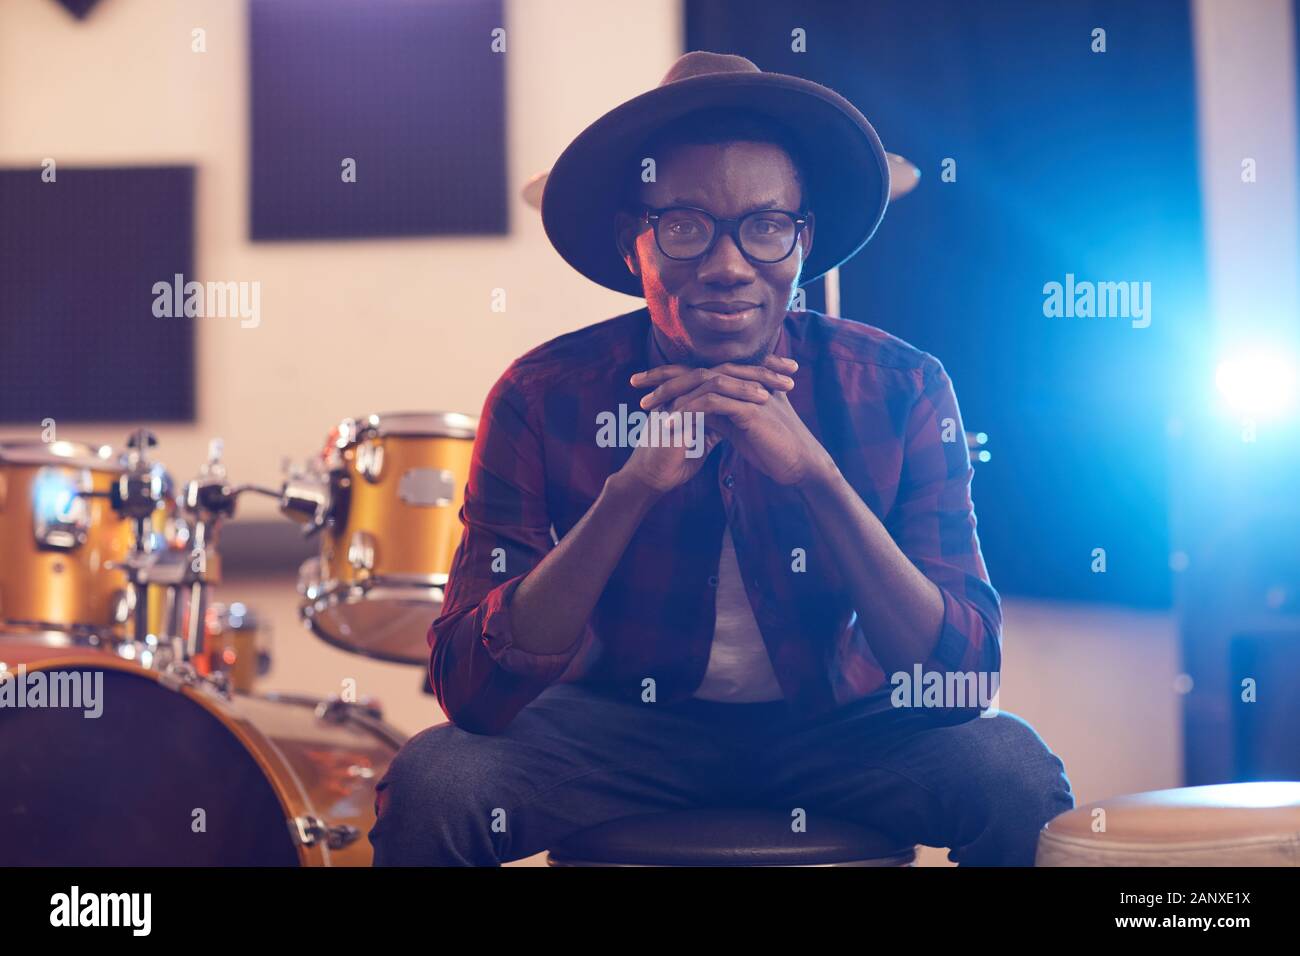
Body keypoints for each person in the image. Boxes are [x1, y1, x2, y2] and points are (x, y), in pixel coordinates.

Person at [369, 51, 1073, 866]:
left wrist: (816, 475)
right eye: (684, 226)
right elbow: (472, 689)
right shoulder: (542, 393)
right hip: (617, 730)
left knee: (1015, 776)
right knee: (433, 783)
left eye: (766, 226)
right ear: (633, 245)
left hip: (841, 732)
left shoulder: (902, 386)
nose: (730, 265)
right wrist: (629, 492)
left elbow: (960, 679)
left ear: (804, 241)